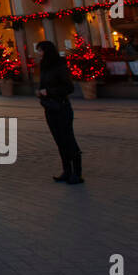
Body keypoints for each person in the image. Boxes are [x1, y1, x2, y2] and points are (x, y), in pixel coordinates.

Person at [37, 40, 83, 184]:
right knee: (59, 141)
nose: (38, 53)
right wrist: (40, 93)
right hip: (50, 108)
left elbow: (69, 87)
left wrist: (49, 91)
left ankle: (77, 173)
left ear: (47, 51)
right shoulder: (44, 67)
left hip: (62, 107)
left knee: (68, 139)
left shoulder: (59, 66)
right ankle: (67, 171)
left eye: (40, 50)